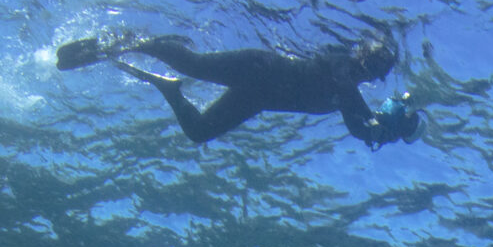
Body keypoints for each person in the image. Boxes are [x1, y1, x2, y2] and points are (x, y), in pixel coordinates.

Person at [57, 29, 421, 148]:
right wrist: (372, 120)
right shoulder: (342, 64)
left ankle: (171, 91)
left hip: (256, 97)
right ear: (361, 53)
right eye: (371, 60)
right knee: (193, 64)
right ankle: (121, 43)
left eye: (376, 68)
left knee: (198, 133)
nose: (369, 69)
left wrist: (379, 131)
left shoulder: (348, 97)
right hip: (258, 68)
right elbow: (345, 87)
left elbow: (357, 127)